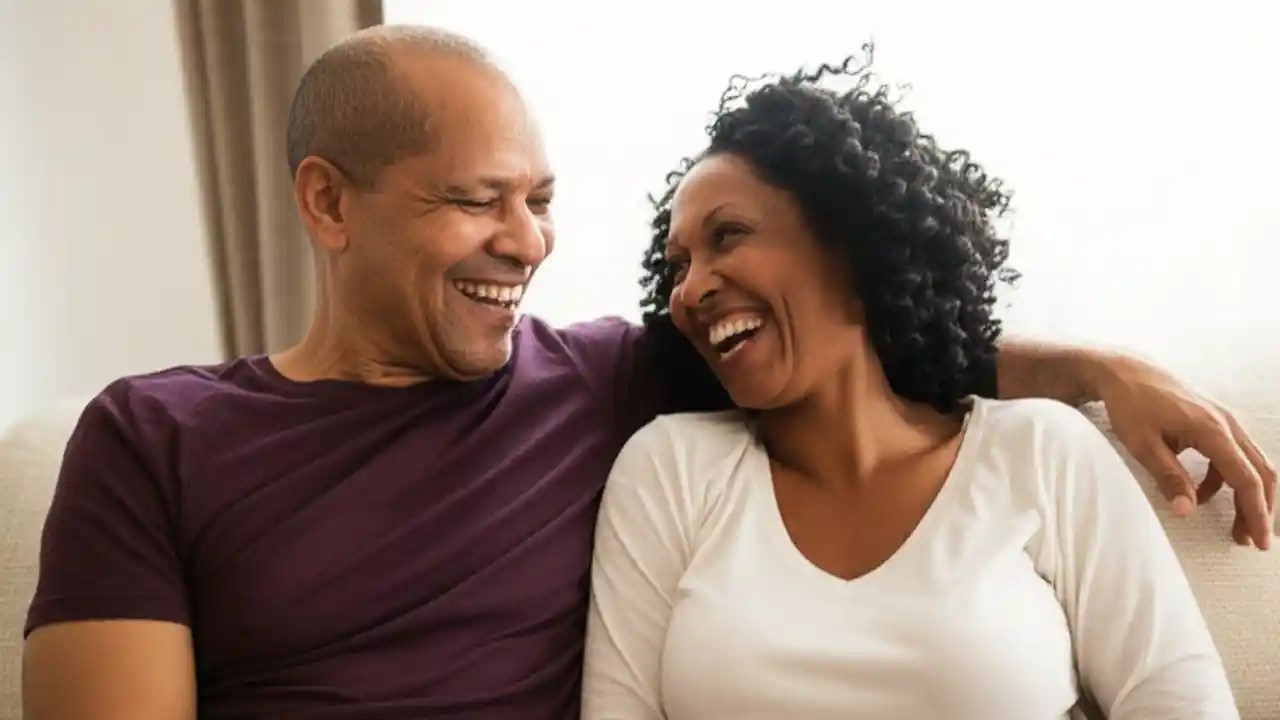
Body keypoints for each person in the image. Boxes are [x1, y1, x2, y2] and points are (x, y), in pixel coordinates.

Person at [20, 25, 1271, 720]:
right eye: (476, 200)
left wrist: (1093, 368)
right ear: (327, 201)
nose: (527, 243)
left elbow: (846, 342)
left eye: (540, 200)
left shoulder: (598, 388)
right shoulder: (153, 436)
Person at [581, 56, 1240, 719]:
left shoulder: (1039, 451)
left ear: (850, 240)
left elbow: (1176, 699)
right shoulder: (670, 470)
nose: (690, 289)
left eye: (727, 236)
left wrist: (1102, 368)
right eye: (678, 267)